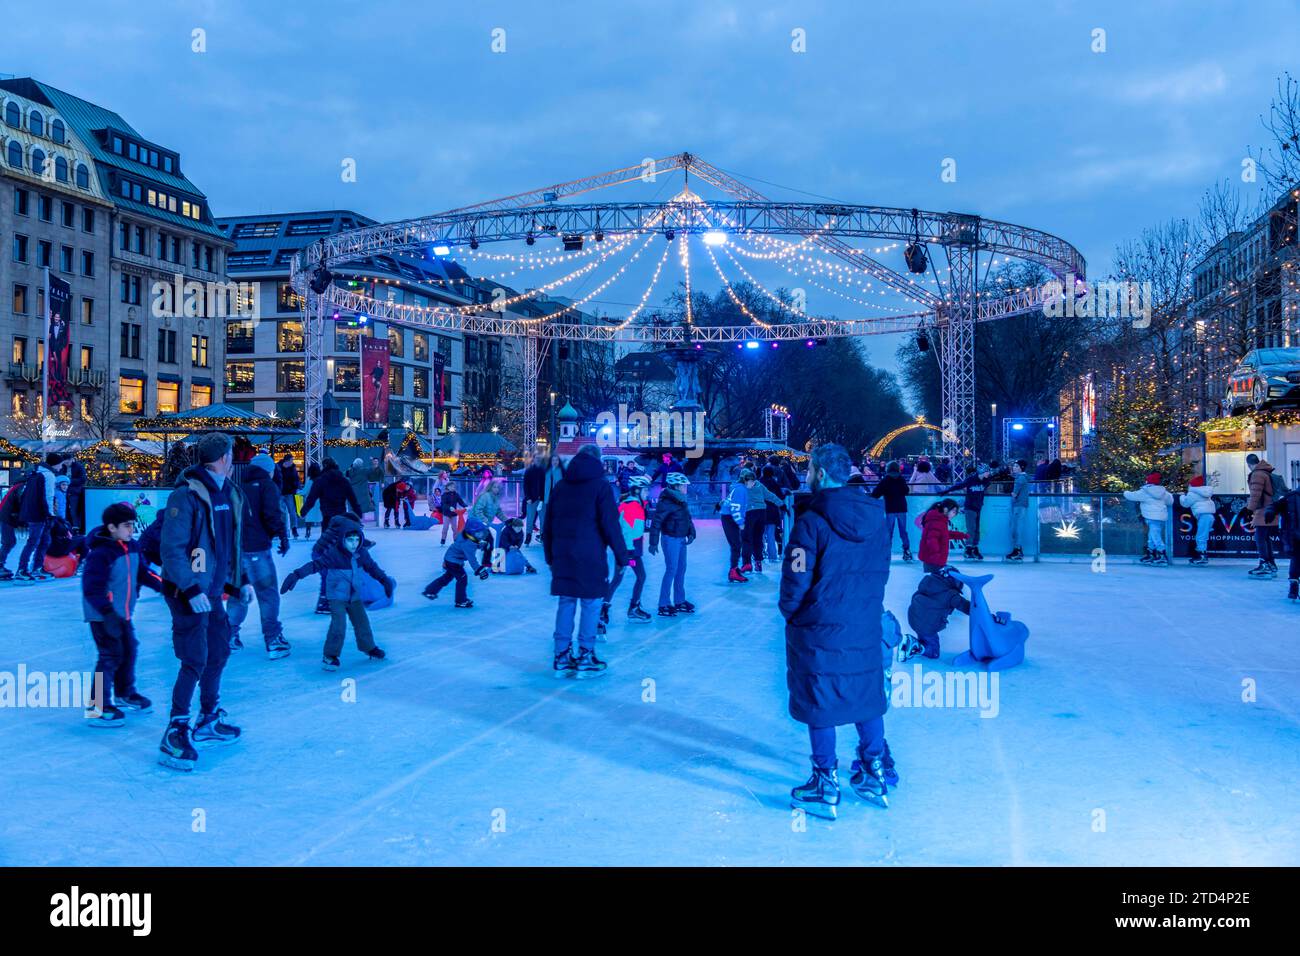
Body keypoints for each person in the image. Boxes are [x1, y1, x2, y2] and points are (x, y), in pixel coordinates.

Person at [780, 443, 893, 820]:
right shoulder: (878, 519)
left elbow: (795, 578)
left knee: (821, 700)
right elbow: (881, 570)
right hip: (862, 620)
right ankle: (874, 770)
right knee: (865, 693)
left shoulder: (811, 520)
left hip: (820, 627)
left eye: (810, 469)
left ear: (821, 473)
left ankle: (825, 781)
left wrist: (793, 613)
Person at [157, 432, 255, 773]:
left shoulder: (229, 493)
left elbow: (229, 546)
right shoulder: (185, 496)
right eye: (233, 453)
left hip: (213, 593)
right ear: (224, 458)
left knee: (219, 652)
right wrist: (190, 589)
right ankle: (175, 730)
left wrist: (238, 582)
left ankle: (208, 719)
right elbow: (171, 550)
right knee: (194, 659)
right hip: (189, 594)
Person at [542, 445, 628, 677]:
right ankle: (586, 655)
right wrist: (622, 556)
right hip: (590, 556)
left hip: (563, 555)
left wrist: (550, 557)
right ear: (598, 461)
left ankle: (561, 655)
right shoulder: (601, 486)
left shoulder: (560, 487)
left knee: (567, 601)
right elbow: (611, 525)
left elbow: (547, 525)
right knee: (591, 604)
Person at [81, 502, 160, 726]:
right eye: (126, 525)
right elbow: (92, 588)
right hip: (102, 615)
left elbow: (143, 574)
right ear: (112, 527)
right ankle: (97, 706)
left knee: (129, 650)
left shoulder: (132, 547)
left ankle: (124, 693)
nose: (131, 530)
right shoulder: (101, 553)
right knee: (110, 655)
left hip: (122, 613)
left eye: (132, 525)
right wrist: (107, 614)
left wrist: (168, 587)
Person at [280, 515, 394, 670]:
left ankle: (369, 647)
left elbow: (373, 568)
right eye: (349, 540)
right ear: (342, 539)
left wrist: (385, 580)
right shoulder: (334, 553)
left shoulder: (362, 554)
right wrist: (297, 574)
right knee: (338, 625)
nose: (353, 544)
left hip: (354, 596)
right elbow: (316, 565)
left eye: (356, 540)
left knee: (362, 623)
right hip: (337, 596)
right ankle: (330, 655)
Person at [227, 452, 291, 659]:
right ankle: (273, 640)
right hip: (257, 551)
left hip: (236, 552)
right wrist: (282, 536)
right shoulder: (267, 485)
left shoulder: (237, 487)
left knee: (239, 594)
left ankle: (229, 636)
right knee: (268, 594)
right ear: (269, 470)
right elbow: (272, 514)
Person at [904, 565, 1000, 661]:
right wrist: (987, 615)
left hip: (914, 619)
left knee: (924, 635)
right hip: (927, 625)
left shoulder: (927, 583)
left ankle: (915, 644)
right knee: (934, 652)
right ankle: (915, 645)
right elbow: (966, 607)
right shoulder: (950, 595)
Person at [601, 474, 653, 633]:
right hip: (628, 551)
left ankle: (624, 608)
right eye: (645, 490)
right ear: (637, 490)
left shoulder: (634, 504)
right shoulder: (633, 506)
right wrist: (628, 554)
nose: (648, 493)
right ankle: (608, 610)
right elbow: (627, 531)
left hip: (629, 550)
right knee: (624, 578)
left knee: (628, 577)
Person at [648, 471, 695, 618]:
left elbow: (687, 517)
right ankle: (663, 603)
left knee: (681, 569)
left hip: (680, 539)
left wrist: (691, 532)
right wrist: (653, 542)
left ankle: (679, 600)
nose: (686, 488)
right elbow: (656, 522)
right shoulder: (666, 501)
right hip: (670, 539)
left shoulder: (681, 499)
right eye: (683, 485)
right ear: (675, 486)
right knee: (672, 569)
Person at [16, 453, 63, 582]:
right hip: (40, 514)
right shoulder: (49, 476)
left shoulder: (36, 473)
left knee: (44, 541)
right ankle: (22, 570)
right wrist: (50, 514)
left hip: (34, 512)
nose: (61, 467)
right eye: (60, 464)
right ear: (55, 464)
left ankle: (37, 567)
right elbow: (48, 496)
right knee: (34, 542)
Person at [424, 519, 491, 607]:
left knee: (447, 577)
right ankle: (460, 601)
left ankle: (430, 591)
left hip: (450, 559)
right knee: (462, 579)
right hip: (453, 562)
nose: (481, 535)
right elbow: (472, 559)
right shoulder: (468, 543)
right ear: (472, 533)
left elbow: (471, 545)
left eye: (481, 532)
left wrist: (480, 545)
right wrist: (480, 570)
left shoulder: (466, 535)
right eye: (479, 533)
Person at [1123, 472, 1175, 567]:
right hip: (1161, 517)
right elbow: (1170, 501)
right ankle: (1151, 555)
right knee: (1152, 536)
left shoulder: (1145, 492)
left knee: (1155, 536)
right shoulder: (1164, 492)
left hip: (1151, 517)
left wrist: (1125, 492)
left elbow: (1132, 496)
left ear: (1148, 482)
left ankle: (1162, 555)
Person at [300, 457, 363, 531]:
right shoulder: (344, 480)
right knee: (341, 537)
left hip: (327, 516)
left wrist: (303, 512)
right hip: (341, 515)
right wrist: (358, 512)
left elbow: (311, 499)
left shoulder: (320, 480)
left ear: (324, 466)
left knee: (326, 538)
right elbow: (352, 499)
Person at [742, 468, 785, 573]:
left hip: (749, 513)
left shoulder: (741, 486)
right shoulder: (759, 485)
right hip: (761, 513)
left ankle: (747, 563)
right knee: (758, 538)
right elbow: (771, 496)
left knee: (747, 538)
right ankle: (758, 562)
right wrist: (781, 504)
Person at [940, 464, 988, 560]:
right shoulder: (971, 479)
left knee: (977, 529)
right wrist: (947, 490)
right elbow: (959, 485)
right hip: (970, 507)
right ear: (982, 472)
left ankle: (974, 548)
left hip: (978, 507)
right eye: (987, 471)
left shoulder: (986, 481)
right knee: (971, 528)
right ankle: (968, 548)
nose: (989, 473)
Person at [869, 461, 912, 562]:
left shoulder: (885, 480)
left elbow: (876, 493)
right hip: (901, 507)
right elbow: (906, 491)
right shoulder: (901, 479)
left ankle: (886, 552)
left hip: (890, 508)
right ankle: (907, 550)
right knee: (903, 531)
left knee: (889, 531)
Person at [1245, 453, 1280, 578]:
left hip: (1264, 511)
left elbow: (1256, 494)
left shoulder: (1258, 474)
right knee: (1265, 538)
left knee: (1260, 537)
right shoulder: (1266, 472)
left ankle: (1264, 563)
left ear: (1249, 464)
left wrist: (1249, 510)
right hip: (1270, 509)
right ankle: (1271, 564)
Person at [917, 498, 968, 573]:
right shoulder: (936, 521)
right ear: (945, 509)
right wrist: (936, 556)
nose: (954, 515)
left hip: (934, 560)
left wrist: (962, 535)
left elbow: (944, 534)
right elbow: (931, 540)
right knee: (934, 581)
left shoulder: (940, 520)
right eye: (953, 512)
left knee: (937, 580)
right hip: (933, 560)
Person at [720, 471, 749, 584]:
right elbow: (736, 508)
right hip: (729, 518)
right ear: (748, 480)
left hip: (728, 517)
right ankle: (733, 571)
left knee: (737, 544)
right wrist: (740, 522)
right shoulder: (740, 490)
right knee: (736, 545)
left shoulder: (739, 488)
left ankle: (734, 569)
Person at [1180, 475, 1215, 567]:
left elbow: (1185, 503)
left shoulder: (1193, 494)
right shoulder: (1206, 492)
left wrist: (1182, 496)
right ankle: (1201, 555)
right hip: (1210, 516)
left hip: (1203, 516)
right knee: (1203, 535)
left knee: (1201, 536)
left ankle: (1202, 556)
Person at [0, 471, 27, 580]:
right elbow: (21, 502)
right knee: (9, 541)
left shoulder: (17, 486)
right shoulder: (21, 487)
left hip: (6, 515)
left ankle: (1, 564)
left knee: (9, 541)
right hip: (7, 516)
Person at [1005, 460, 1030, 562]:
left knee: (1016, 528)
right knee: (1017, 528)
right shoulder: (1023, 478)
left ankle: (1017, 550)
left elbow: (1014, 494)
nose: (1014, 468)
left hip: (1018, 506)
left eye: (1016, 466)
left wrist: (1012, 494)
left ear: (1021, 468)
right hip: (1021, 505)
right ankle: (1017, 549)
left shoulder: (1020, 479)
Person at [522, 452, 547, 545]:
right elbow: (526, 485)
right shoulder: (529, 470)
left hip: (542, 499)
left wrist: (544, 498)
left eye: (539, 459)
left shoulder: (544, 470)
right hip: (531, 499)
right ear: (534, 459)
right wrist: (528, 497)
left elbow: (546, 485)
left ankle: (543, 536)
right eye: (537, 458)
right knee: (530, 519)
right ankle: (528, 536)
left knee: (543, 519)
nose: (538, 460)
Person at [277, 454, 301, 539]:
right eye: (291, 460)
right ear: (286, 461)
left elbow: (296, 479)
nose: (292, 462)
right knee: (282, 512)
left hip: (289, 493)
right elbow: (275, 478)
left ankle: (294, 529)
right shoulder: (278, 467)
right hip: (280, 493)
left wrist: (296, 486)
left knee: (292, 511)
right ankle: (283, 530)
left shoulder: (292, 468)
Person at [346, 458, 373, 525]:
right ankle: (359, 521)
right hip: (362, 493)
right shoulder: (364, 471)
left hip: (352, 492)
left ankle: (352, 521)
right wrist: (371, 462)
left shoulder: (349, 471)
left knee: (352, 507)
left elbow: (344, 475)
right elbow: (371, 470)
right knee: (361, 507)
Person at [299, 461, 322, 541]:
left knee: (309, 517)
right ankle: (323, 533)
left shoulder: (310, 480)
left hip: (311, 501)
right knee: (321, 517)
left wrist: (297, 491)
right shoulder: (321, 479)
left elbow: (304, 491)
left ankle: (308, 532)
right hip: (320, 501)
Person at [66, 456, 87, 534]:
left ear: (71, 459)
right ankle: (67, 525)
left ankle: (76, 527)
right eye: (65, 462)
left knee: (73, 510)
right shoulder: (63, 467)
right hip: (65, 491)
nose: (66, 464)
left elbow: (83, 479)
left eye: (67, 462)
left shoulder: (79, 467)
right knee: (66, 509)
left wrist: (69, 480)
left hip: (75, 491)